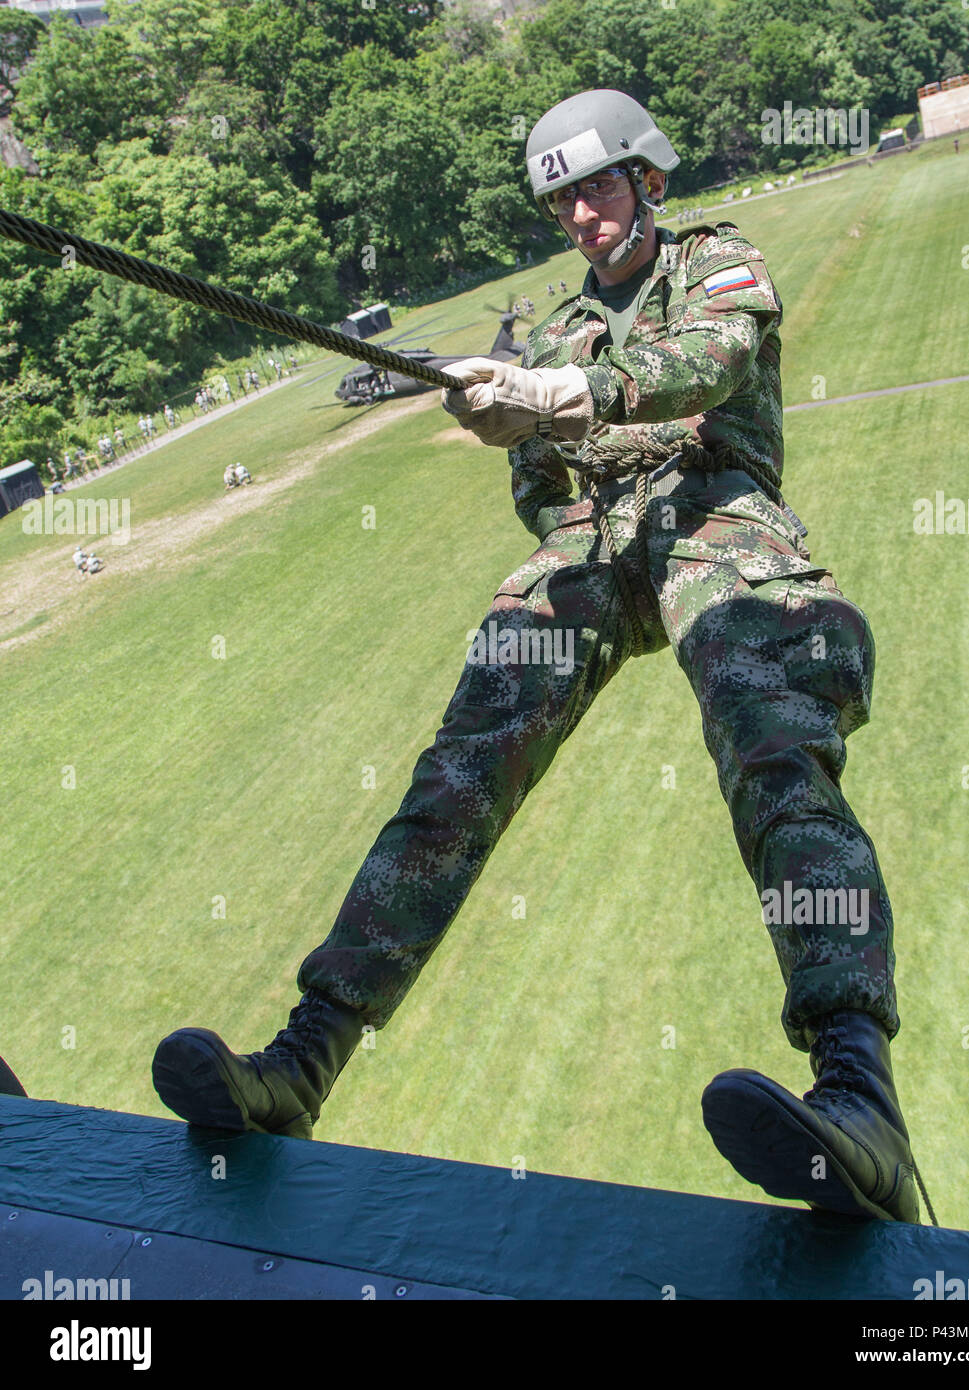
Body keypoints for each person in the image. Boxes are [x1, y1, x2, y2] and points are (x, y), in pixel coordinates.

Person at [151, 89, 919, 1225]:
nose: (581, 215)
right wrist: (509, 424)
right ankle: (304, 1060)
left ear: (646, 182)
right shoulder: (556, 325)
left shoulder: (714, 261)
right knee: (456, 773)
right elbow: (541, 504)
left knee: (772, 745)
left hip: (713, 517)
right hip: (594, 543)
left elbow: (713, 361)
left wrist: (571, 396)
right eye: (561, 198)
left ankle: (860, 1096)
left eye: (597, 188)